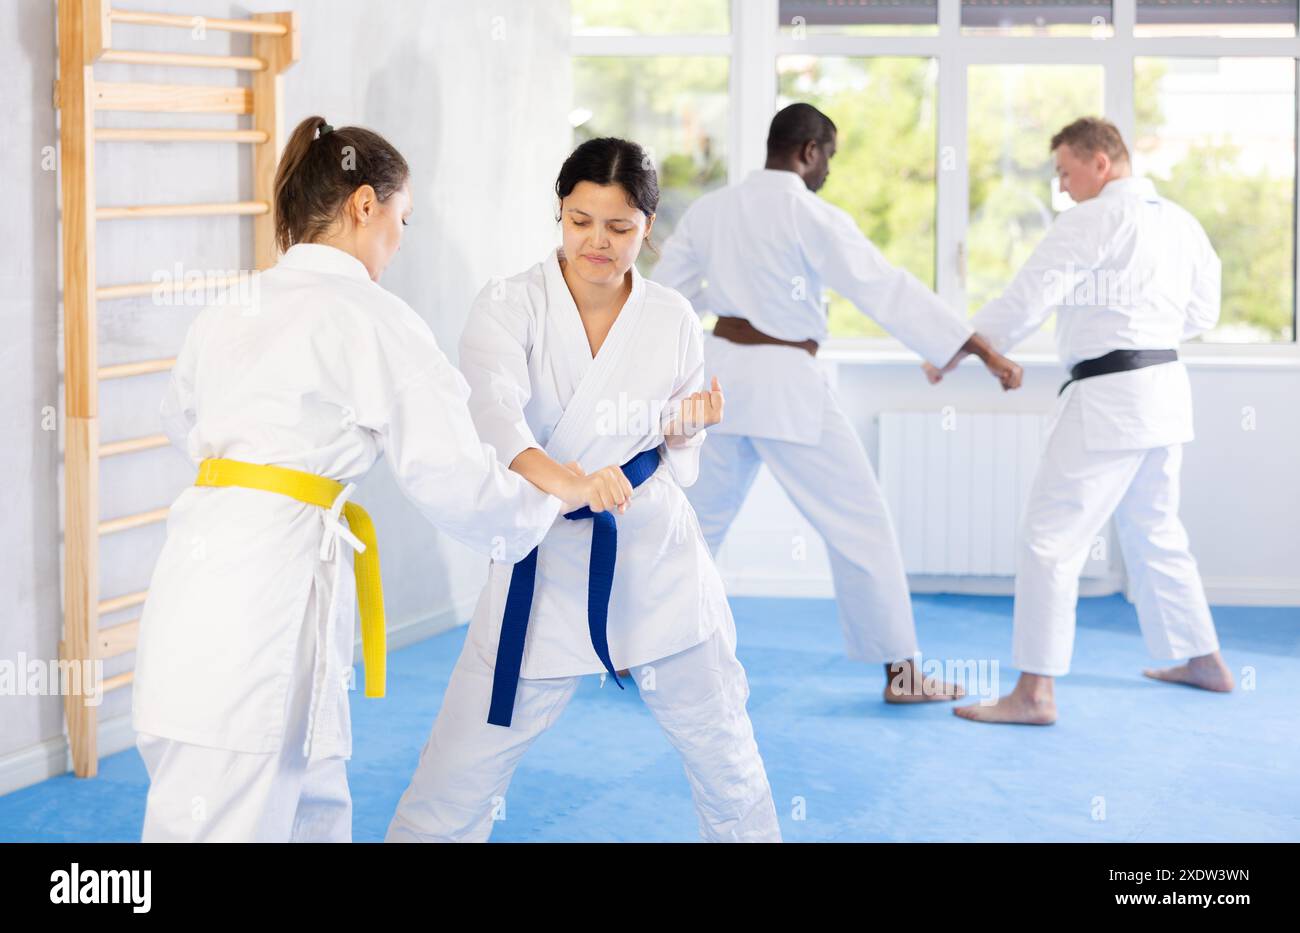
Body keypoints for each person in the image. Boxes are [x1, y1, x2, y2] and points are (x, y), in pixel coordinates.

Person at [133, 116, 624, 841]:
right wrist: (550, 497)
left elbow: (182, 423)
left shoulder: (229, 306)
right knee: (230, 806)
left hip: (200, 562)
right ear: (365, 205)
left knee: (307, 794)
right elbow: (451, 474)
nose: (398, 242)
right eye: (401, 219)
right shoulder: (370, 316)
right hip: (268, 590)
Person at [385, 137, 782, 842]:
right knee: (454, 775)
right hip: (537, 558)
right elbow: (495, 417)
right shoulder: (509, 303)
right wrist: (573, 484)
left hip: (654, 558)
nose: (596, 241)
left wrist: (685, 427)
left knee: (727, 758)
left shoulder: (671, 318)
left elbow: (675, 456)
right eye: (579, 220)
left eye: (619, 227)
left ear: (648, 227)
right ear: (559, 214)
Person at [652, 102, 1021, 703]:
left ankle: (644, 656)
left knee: (693, 526)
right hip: (788, 386)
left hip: (717, 384)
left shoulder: (711, 211)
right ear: (808, 151)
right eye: (828, 158)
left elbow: (663, 300)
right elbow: (882, 285)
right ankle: (903, 676)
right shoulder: (808, 212)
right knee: (862, 527)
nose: (828, 172)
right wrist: (977, 347)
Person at [932, 117, 1234, 725]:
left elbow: (1029, 296)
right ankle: (1204, 660)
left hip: (1110, 396)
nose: (1063, 189)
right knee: (1157, 531)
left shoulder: (1093, 219)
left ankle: (1034, 693)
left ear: (1101, 162)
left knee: (1050, 540)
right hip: (1166, 391)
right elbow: (1202, 311)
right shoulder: (1181, 222)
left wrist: (957, 346)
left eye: (1066, 172)